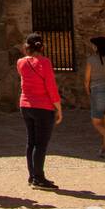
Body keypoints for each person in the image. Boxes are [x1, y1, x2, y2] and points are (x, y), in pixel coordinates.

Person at [16, 31, 62, 189]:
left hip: (25, 105)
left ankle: (32, 176)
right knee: (41, 144)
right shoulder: (45, 63)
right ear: (42, 47)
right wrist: (59, 108)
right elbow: (51, 87)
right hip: (43, 107)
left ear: (27, 46)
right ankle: (39, 178)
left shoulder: (20, 62)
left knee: (31, 142)